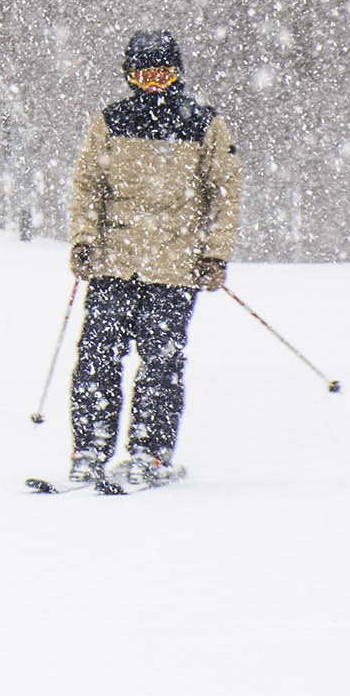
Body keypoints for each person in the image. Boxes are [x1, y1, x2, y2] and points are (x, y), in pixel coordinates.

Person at [60, 31, 242, 491]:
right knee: (97, 357)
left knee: (161, 363)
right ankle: (90, 448)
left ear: (178, 75)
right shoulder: (110, 122)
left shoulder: (205, 125)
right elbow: (86, 187)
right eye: (145, 75)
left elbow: (224, 194)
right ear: (130, 77)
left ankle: (151, 450)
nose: (155, 84)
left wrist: (215, 253)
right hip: (114, 263)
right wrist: (84, 240)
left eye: (164, 75)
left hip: (175, 265)